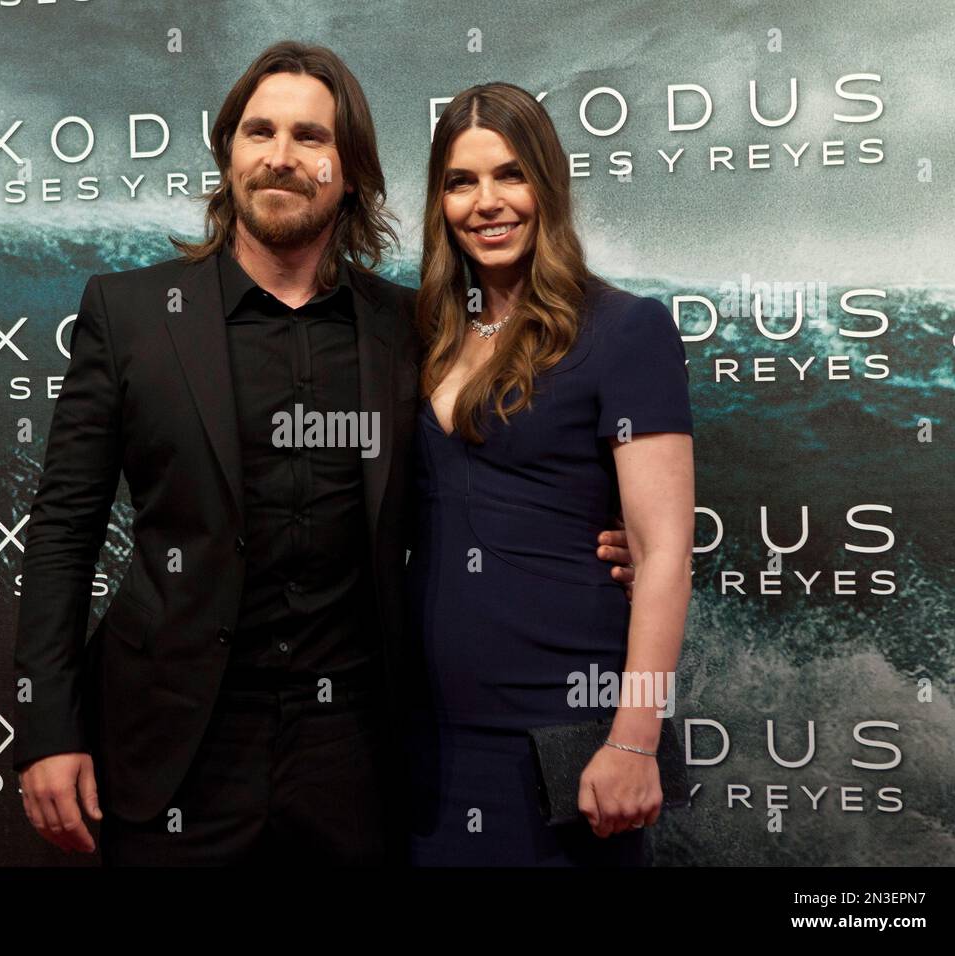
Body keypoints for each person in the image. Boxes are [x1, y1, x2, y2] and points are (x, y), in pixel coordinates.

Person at [13, 43, 637, 865]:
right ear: (228, 155)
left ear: (349, 172)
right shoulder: (129, 313)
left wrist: (591, 541)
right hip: (171, 745)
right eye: (258, 132)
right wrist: (48, 728)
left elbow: (489, 469)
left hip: (356, 752)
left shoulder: (414, 329)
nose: (281, 156)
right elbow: (63, 529)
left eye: (311, 136)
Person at [404, 83, 695, 866]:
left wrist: (635, 739)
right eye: (461, 182)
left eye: (510, 174)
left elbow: (664, 551)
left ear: (549, 184)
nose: (487, 202)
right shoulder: (417, 333)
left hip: (564, 732)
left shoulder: (626, 330)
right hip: (422, 742)